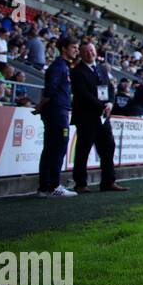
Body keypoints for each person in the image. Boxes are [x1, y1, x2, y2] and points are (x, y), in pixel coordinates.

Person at [70, 42, 127, 193]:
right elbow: (83, 95)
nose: (89, 53)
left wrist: (110, 103)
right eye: (86, 51)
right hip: (86, 117)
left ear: (95, 51)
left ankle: (108, 181)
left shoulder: (101, 69)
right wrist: (102, 106)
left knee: (108, 147)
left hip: (103, 117)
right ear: (81, 54)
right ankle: (80, 184)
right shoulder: (77, 72)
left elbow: (110, 88)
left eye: (91, 50)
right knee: (83, 151)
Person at [35, 36, 78, 198]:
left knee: (51, 149)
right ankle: (53, 186)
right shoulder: (58, 67)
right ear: (64, 49)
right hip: (57, 112)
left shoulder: (64, 67)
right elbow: (50, 91)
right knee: (58, 148)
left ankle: (45, 187)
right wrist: (40, 106)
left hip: (57, 110)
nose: (76, 50)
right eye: (74, 47)